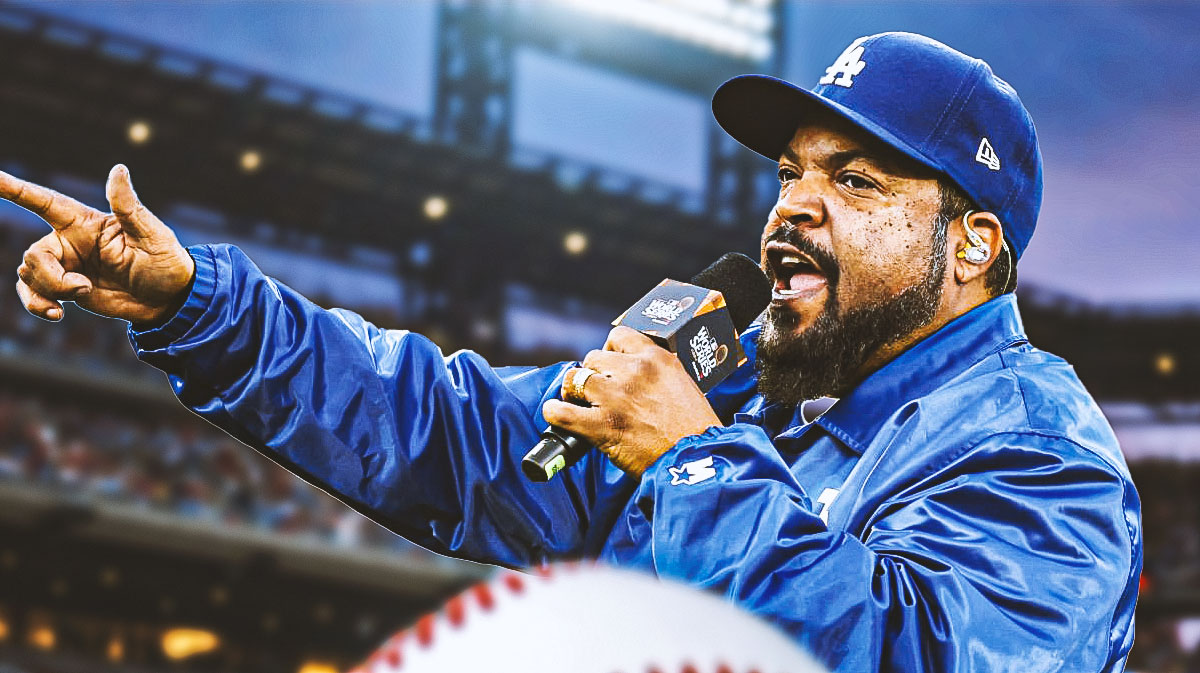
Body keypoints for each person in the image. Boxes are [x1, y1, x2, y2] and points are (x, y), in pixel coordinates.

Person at [5, 33, 1139, 672]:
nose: (793, 207)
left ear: (973, 243)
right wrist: (197, 304)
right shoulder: (742, 382)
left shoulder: (1038, 451)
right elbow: (444, 429)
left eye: (853, 180)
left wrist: (694, 464)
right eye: (790, 172)